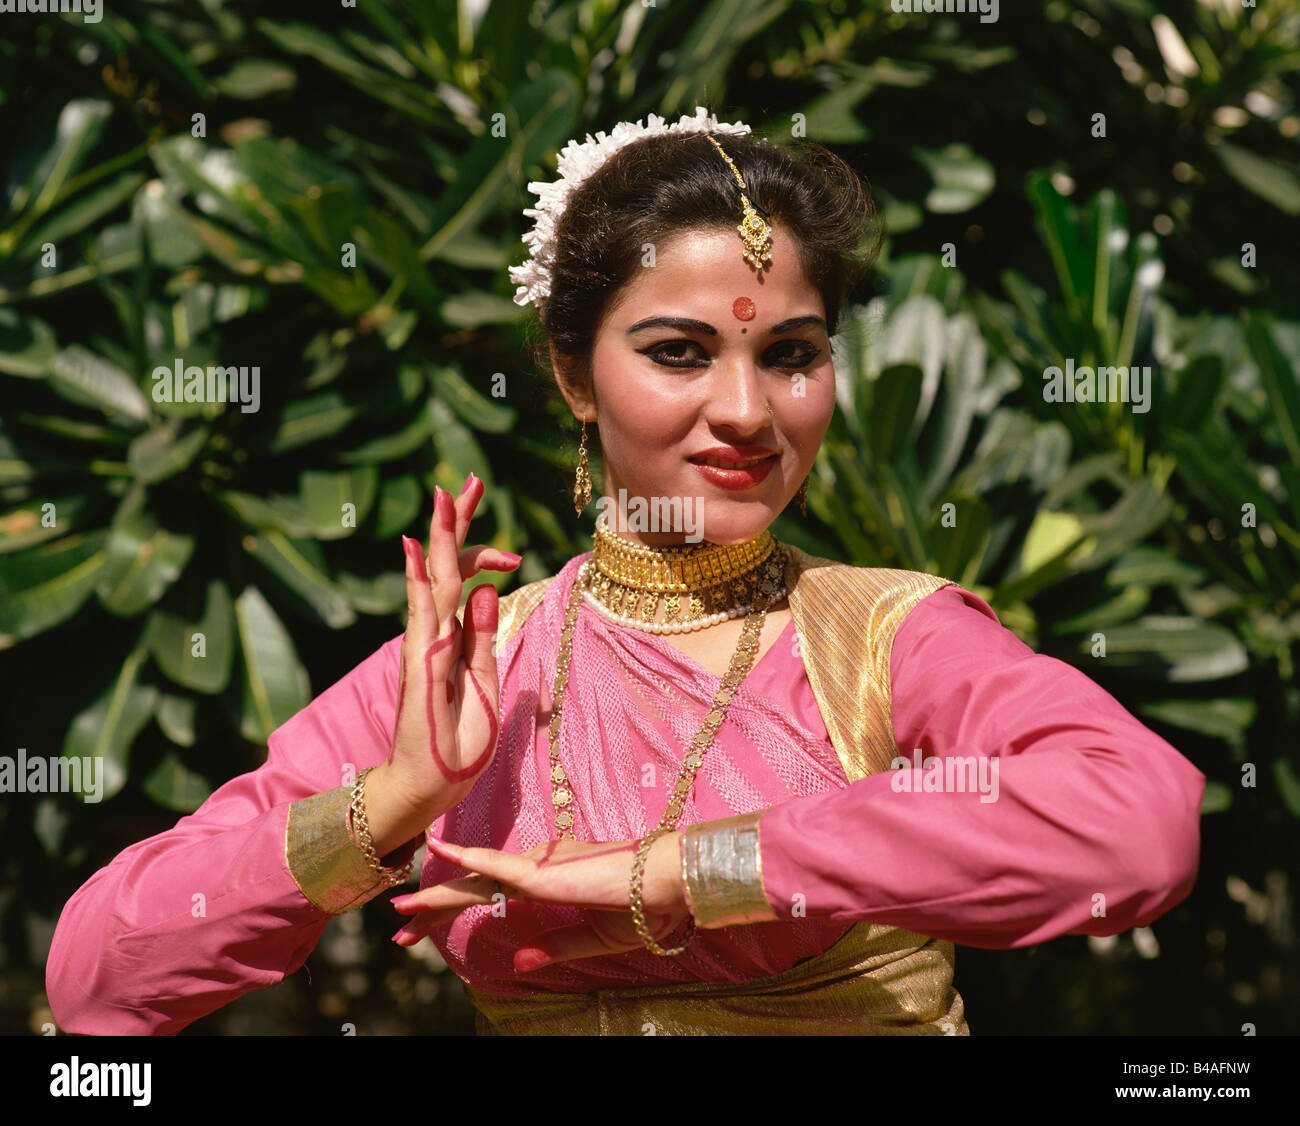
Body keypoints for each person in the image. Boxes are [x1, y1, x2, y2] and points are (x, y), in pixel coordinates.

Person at [45, 107, 1205, 1036]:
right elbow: (98, 979)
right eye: (678, 353)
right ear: (572, 376)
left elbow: (1137, 829)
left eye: (791, 355)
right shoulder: (475, 679)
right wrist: (390, 805)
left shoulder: (883, 636)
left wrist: (685, 869)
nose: (747, 411)